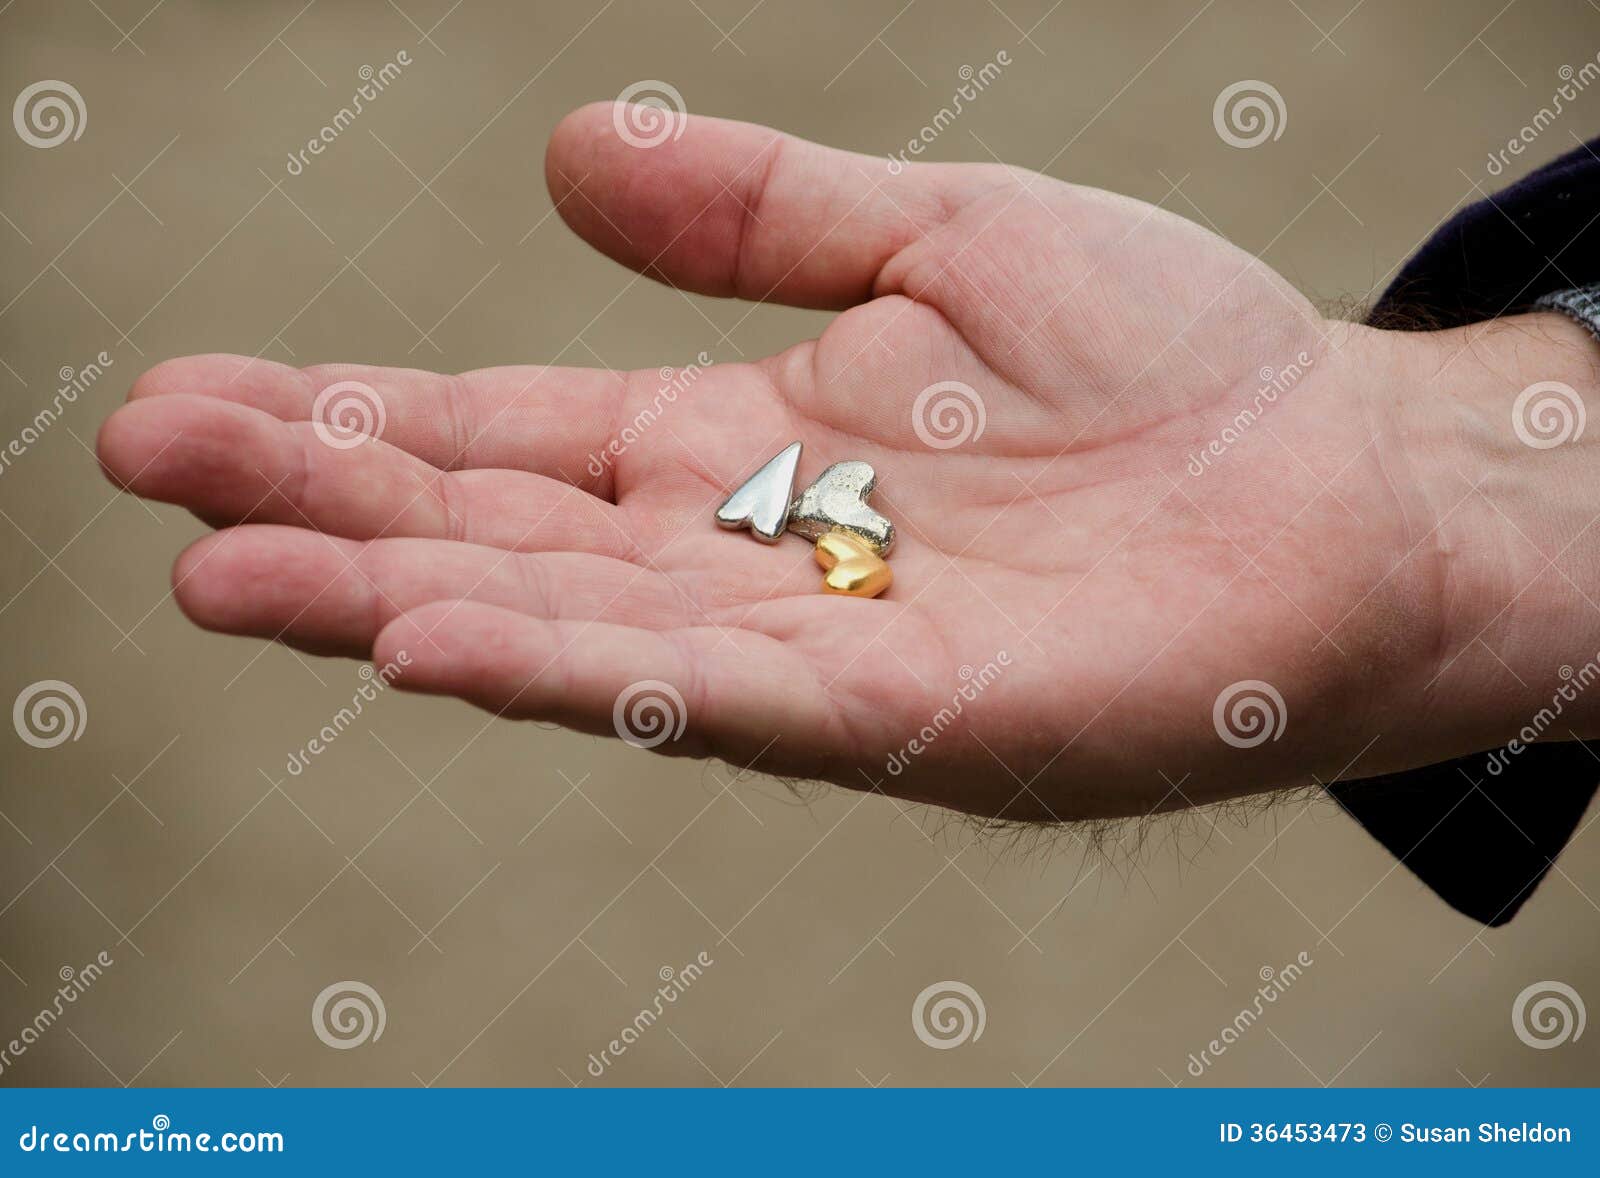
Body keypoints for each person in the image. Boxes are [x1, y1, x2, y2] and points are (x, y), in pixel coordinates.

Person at [95, 103, 1600, 926]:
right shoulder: (839, 526)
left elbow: (848, 544)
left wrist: (1427, 487)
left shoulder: (840, 525)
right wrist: (1447, 480)